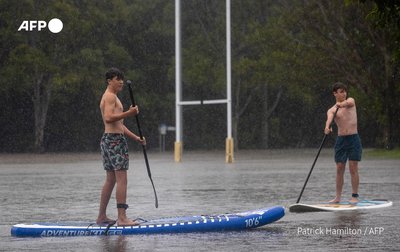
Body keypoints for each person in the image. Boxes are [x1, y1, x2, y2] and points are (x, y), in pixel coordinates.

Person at [96, 67, 145, 226]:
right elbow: (109, 118)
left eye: (122, 79)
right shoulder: (110, 97)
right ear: (109, 81)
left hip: (109, 139)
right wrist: (129, 114)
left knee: (110, 180)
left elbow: (119, 125)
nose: (121, 82)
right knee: (122, 179)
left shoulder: (112, 97)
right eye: (118, 79)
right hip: (114, 141)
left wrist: (136, 138)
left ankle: (101, 217)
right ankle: (122, 218)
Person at [324, 82, 362, 204]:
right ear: (334, 93)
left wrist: (341, 104)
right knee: (339, 168)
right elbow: (329, 120)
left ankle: (354, 196)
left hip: (353, 138)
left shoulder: (350, 101)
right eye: (340, 91)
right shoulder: (331, 110)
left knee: (353, 167)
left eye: (344, 91)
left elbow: (348, 102)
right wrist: (327, 127)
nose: (343, 93)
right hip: (341, 140)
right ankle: (338, 197)